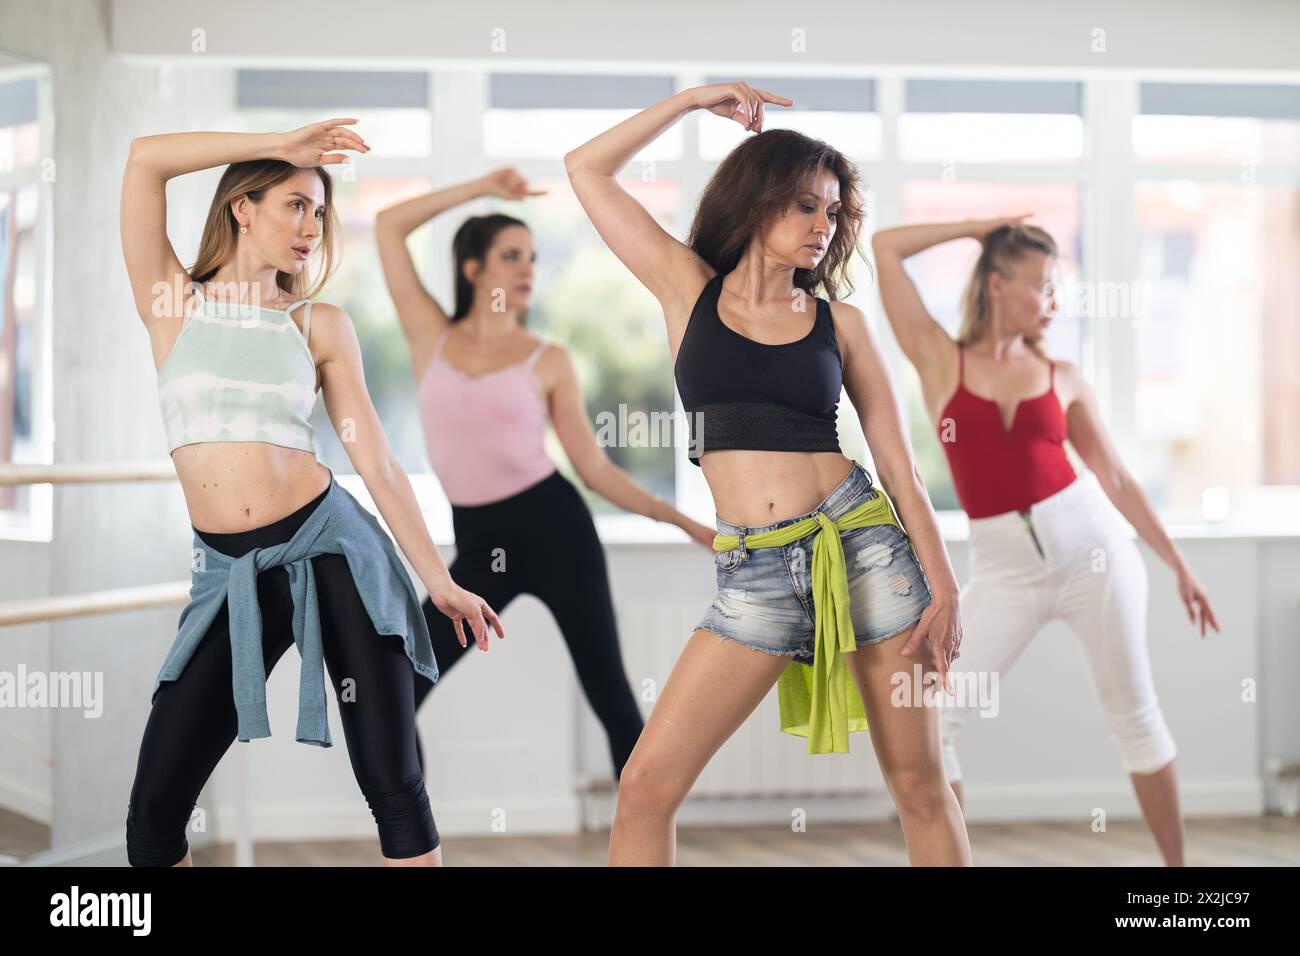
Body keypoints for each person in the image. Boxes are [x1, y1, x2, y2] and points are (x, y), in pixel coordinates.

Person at [566, 81, 971, 865]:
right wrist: (688, 103)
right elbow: (586, 170)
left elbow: (899, 466)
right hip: (756, 569)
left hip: (869, 549)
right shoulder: (686, 290)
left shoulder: (840, 324)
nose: (823, 227)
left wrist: (946, 587)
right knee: (645, 787)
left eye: (833, 213)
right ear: (757, 203)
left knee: (921, 785)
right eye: (805, 207)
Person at [120, 119, 502, 867]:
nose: (310, 227)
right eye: (295, 203)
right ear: (242, 206)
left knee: (393, 785)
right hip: (229, 575)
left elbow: (378, 463)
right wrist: (284, 142)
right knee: (155, 814)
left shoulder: (317, 324)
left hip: (335, 552)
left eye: (320, 212)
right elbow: (144, 160)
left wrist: (439, 580)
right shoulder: (173, 304)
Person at [872, 215, 1221, 866]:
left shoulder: (1063, 375)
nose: (1055, 302)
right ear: (998, 285)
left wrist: (1178, 564)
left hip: (1097, 560)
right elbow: (885, 249)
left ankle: (1181, 883)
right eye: (1043, 287)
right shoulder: (938, 359)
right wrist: (975, 227)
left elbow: (1115, 475)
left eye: (1059, 288)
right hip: (1005, 574)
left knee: (1135, 719)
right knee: (933, 717)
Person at [375, 167, 717, 780]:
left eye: (531, 257)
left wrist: (682, 521)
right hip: (483, 544)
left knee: (611, 696)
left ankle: (644, 845)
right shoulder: (432, 338)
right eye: (511, 256)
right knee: (400, 682)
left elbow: (593, 469)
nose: (527, 269)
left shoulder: (548, 360)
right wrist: (479, 188)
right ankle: (412, 836)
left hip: (558, 532)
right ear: (473, 269)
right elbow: (387, 225)